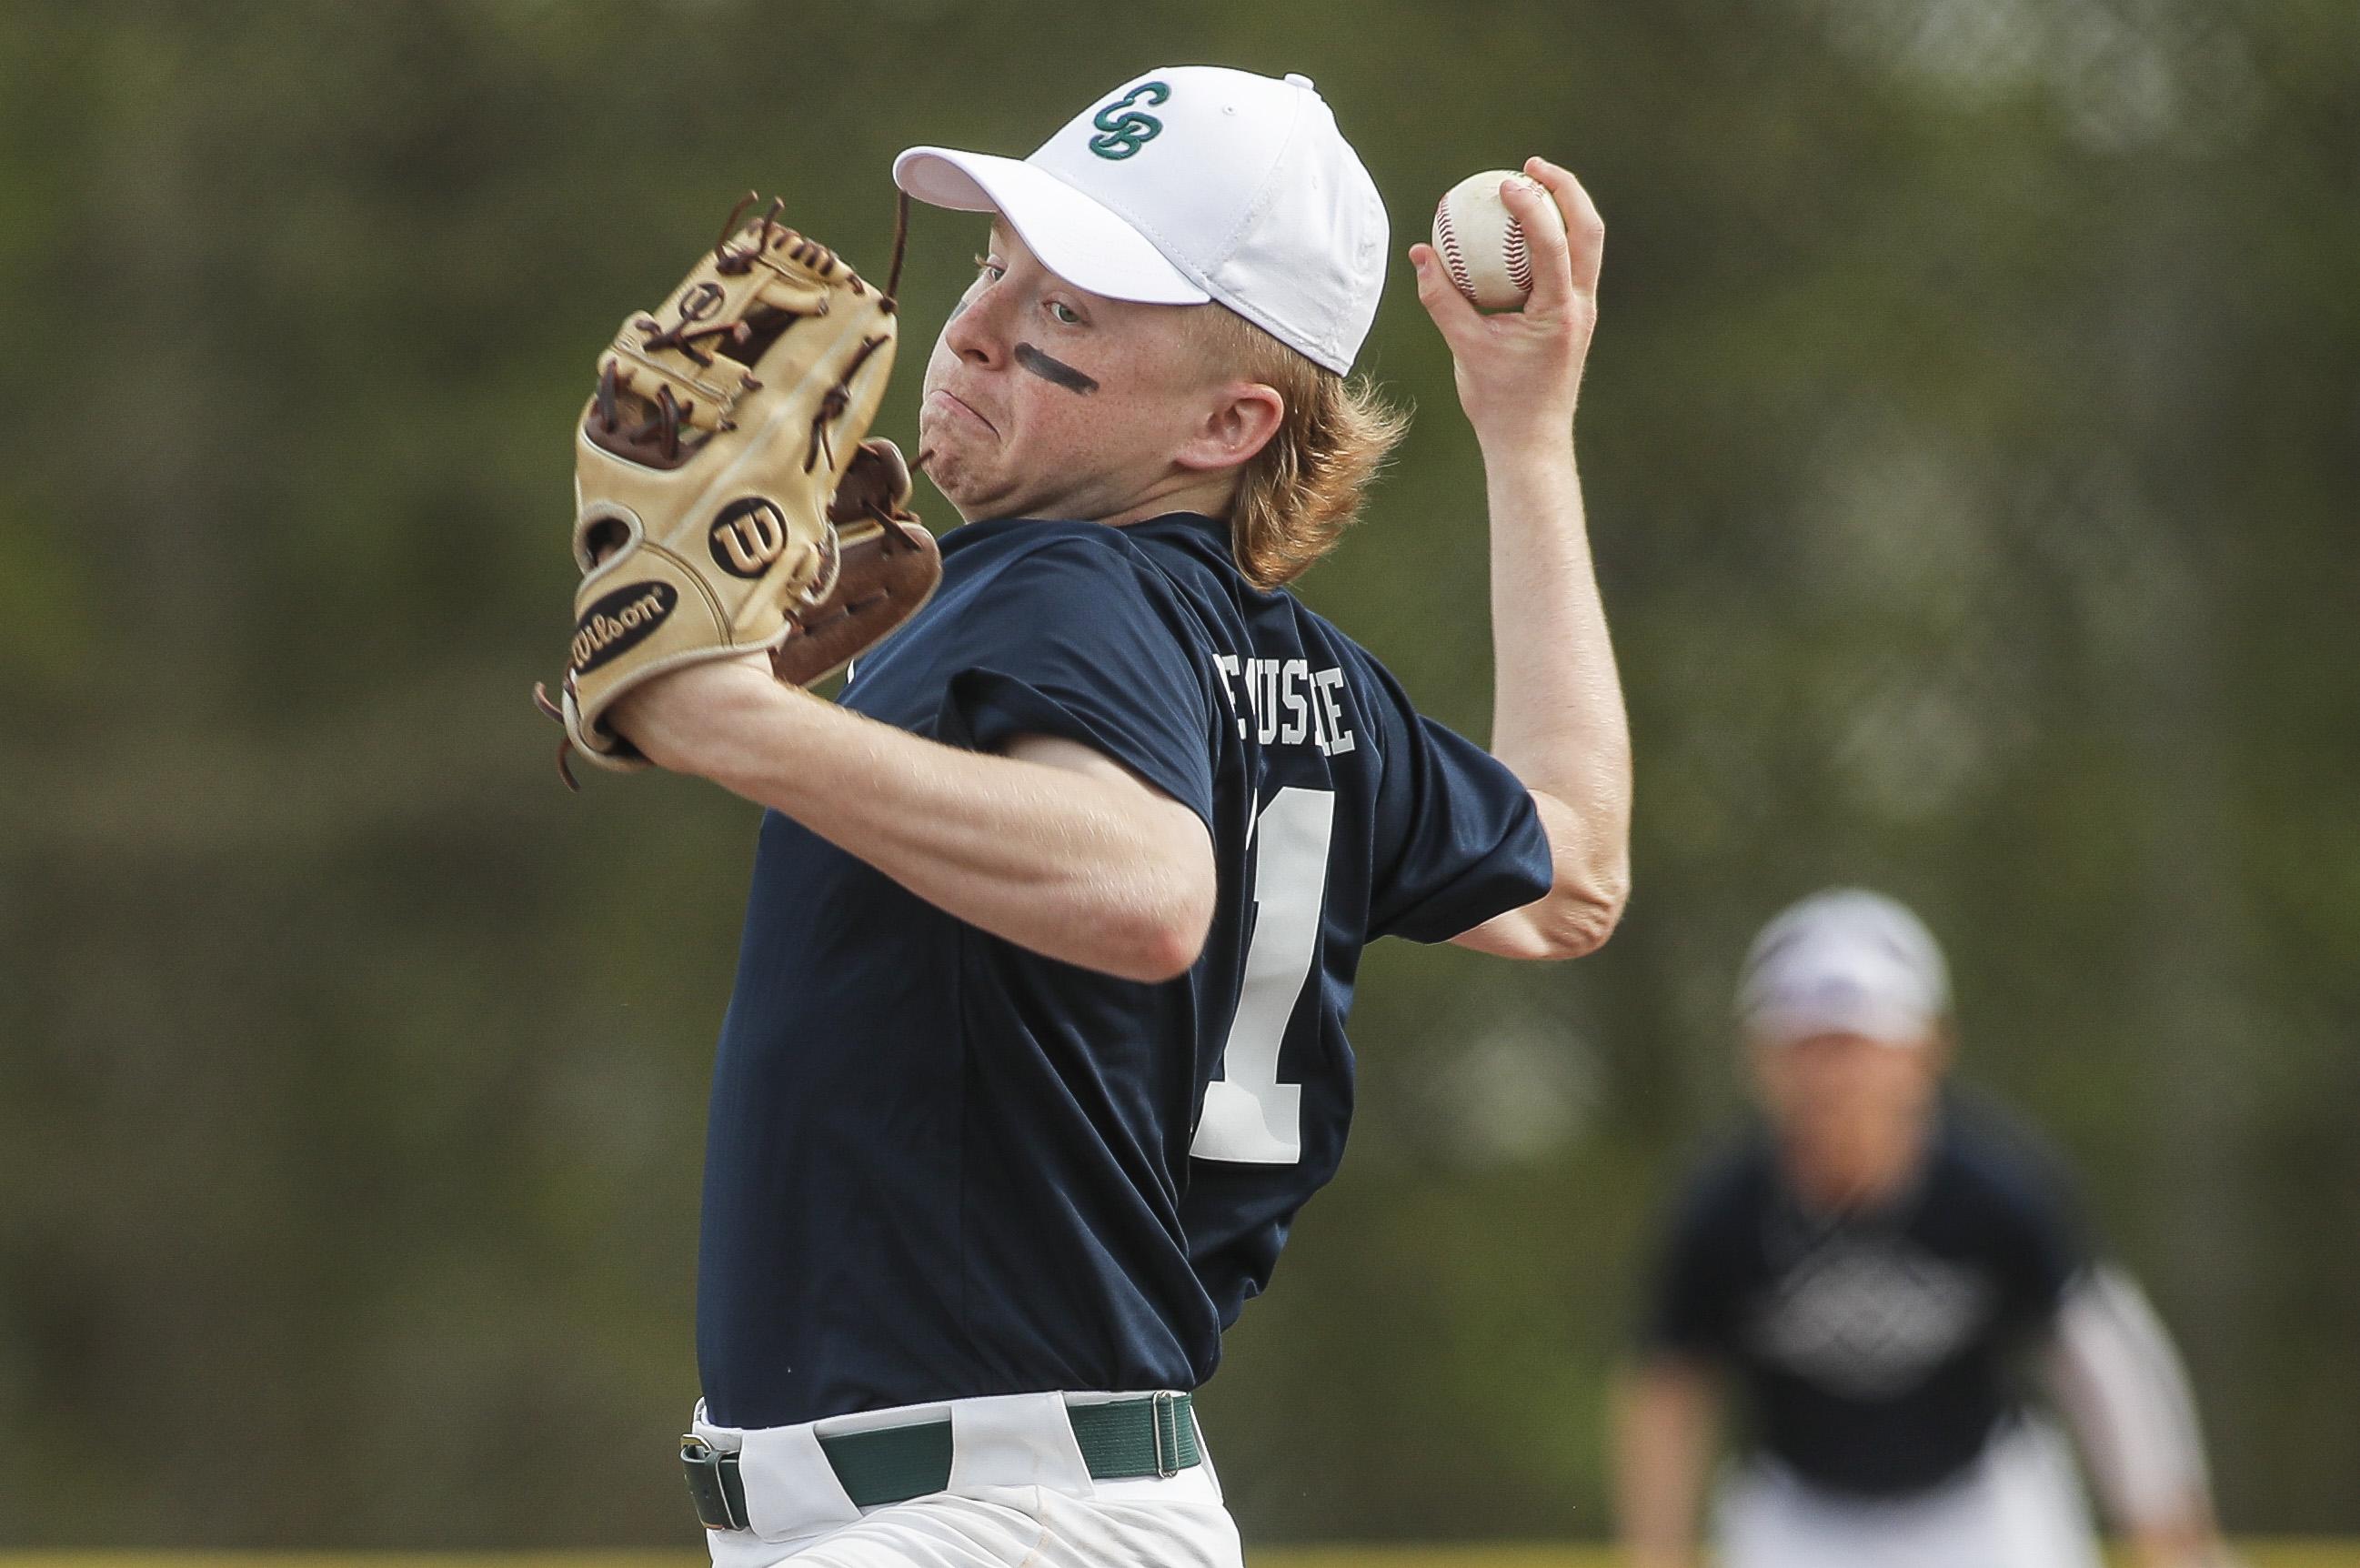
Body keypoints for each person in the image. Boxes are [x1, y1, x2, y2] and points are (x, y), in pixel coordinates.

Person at [604, 66, 1631, 1568]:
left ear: (1229, 420)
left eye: (1069, 312)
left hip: (969, 1514)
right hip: (1063, 1500)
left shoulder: (1056, 584)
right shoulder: (1305, 679)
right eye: (995, 266)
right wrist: (1527, 429)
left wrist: (727, 716)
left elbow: (1146, 887)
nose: (977, 322)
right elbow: (1576, 869)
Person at [1612, 889, 2233, 1568]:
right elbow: (1668, 1390)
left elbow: (2102, 1361)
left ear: (1927, 1051)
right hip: (1797, 1514)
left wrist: (2172, 1538)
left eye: (1857, 1045)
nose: (1833, 1077)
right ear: (1757, 1059)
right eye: (1805, 1047)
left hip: (1982, 1505)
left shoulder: (1999, 1190)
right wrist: (1655, 1556)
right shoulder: (1723, 1210)